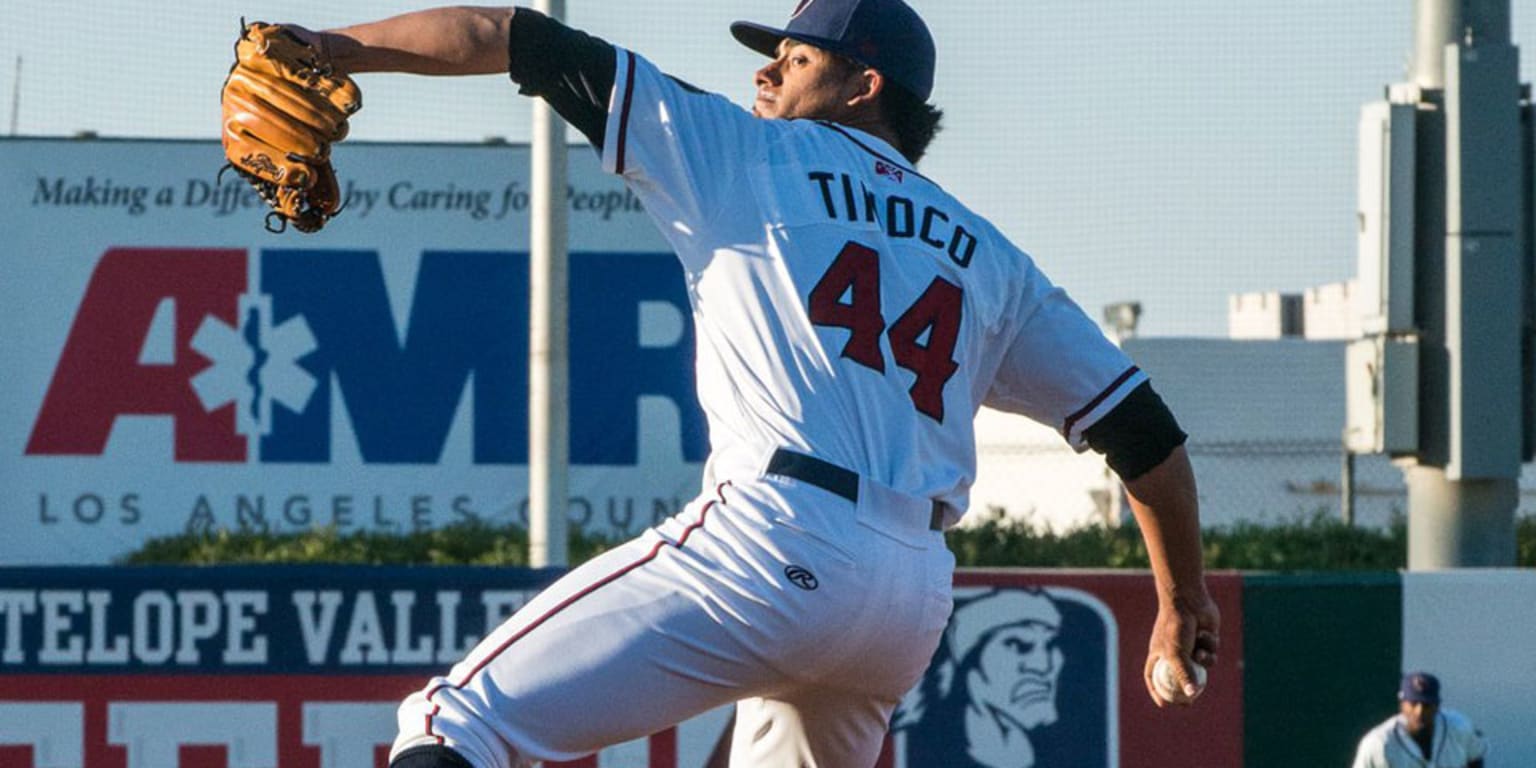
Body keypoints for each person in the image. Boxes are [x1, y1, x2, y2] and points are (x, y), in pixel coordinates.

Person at [276, 1, 1220, 765]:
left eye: (797, 57)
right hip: (909, 598)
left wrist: (331, 48)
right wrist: (1182, 604)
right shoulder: (992, 258)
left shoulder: (744, 151)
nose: (765, 71)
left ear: (863, 85)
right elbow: (1145, 437)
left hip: (775, 542)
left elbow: (507, 36)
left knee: (455, 725)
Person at [893, 588, 1074, 768]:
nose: (1043, 666)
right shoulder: (929, 752)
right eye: (1018, 644)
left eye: (1050, 645)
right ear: (969, 664)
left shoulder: (1068, 753)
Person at [1351, 672, 1489, 768]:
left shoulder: (1458, 727)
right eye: (1413, 704)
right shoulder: (1379, 743)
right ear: (1402, 705)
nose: (1419, 711)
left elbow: (1476, 756)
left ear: (1437, 706)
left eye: (1426, 705)